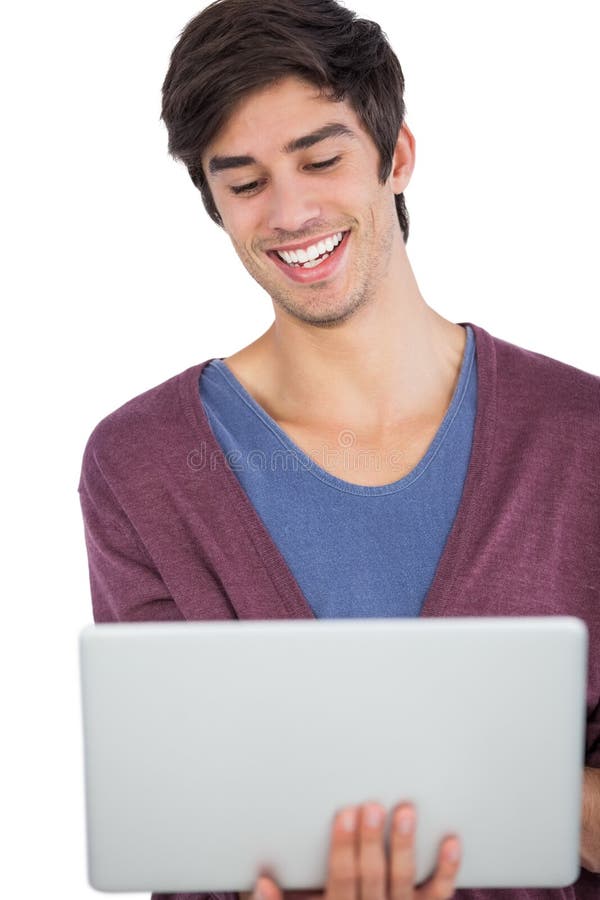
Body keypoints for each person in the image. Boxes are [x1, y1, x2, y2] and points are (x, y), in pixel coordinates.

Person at [77, 1, 600, 899]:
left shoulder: (581, 438)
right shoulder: (145, 466)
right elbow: (172, 819)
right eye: (243, 183)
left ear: (395, 157)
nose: (290, 212)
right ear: (216, 208)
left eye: (322, 160)